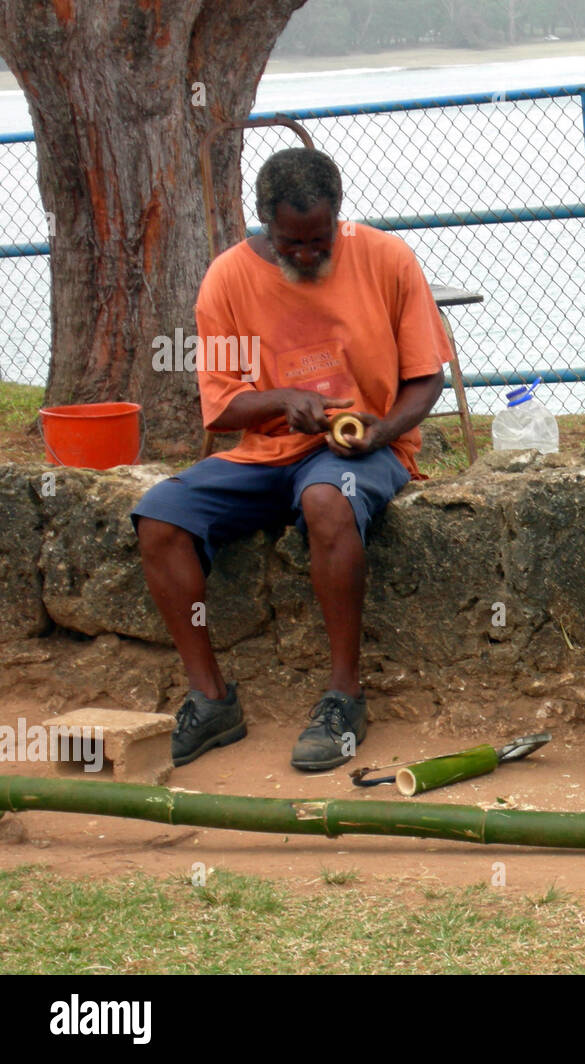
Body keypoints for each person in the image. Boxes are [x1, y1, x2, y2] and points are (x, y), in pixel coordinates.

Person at [132, 148, 449, 771]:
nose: (306, 253)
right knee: (160, 515)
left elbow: (425, 378)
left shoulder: (386, 258)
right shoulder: (226, 277)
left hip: (365, 449)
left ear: (339, 218)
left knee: (327, 498)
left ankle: (344, 697)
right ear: (264, 225)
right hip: (266, 453)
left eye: (318, 239)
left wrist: (380, 431)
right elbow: (221, 408)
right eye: (290, 242)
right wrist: (282, 400)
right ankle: (212, 698)